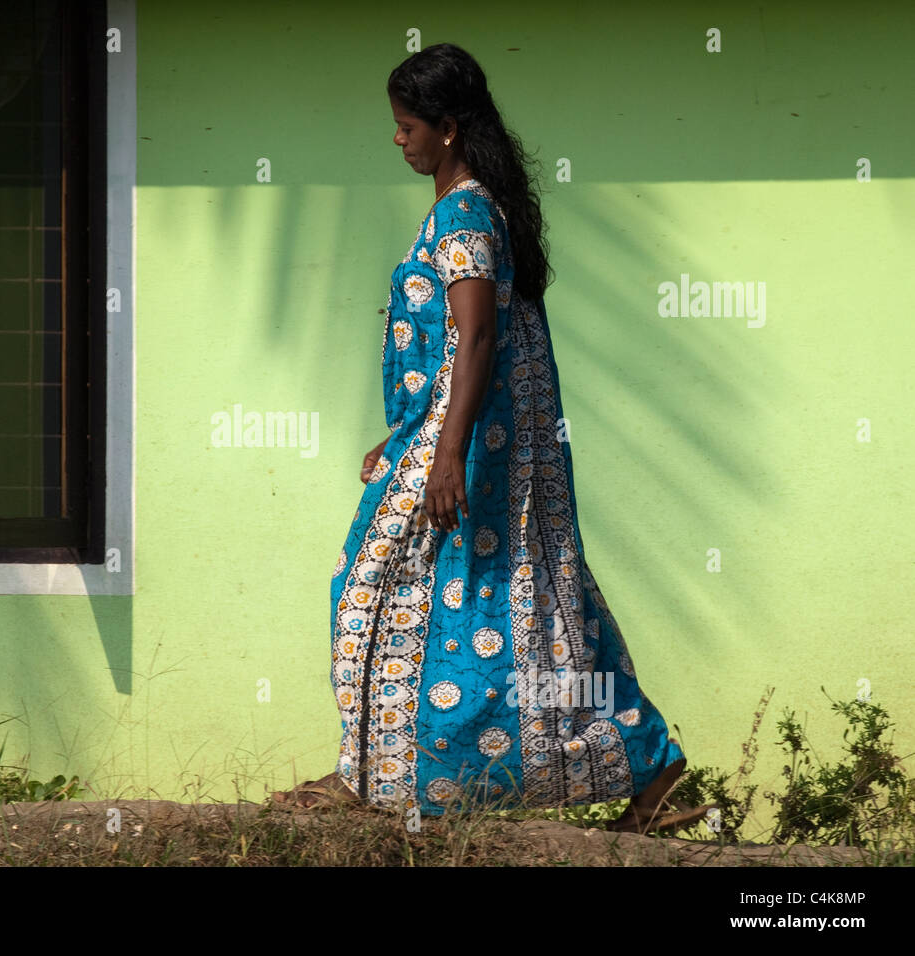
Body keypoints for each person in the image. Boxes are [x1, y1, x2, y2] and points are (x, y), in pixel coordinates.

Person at [272, 44, 712, 834]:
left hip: (467, 449)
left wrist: (443, 456)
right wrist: (403, 437)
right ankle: (656, 776)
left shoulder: (467, 214)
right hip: (449, 437)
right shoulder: (467, 210)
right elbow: (455, 351)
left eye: (407, 127)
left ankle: (370, 780)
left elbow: (475, 339)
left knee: (370, 592)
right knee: (544, 611)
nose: (397, 140)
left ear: (447, 129)